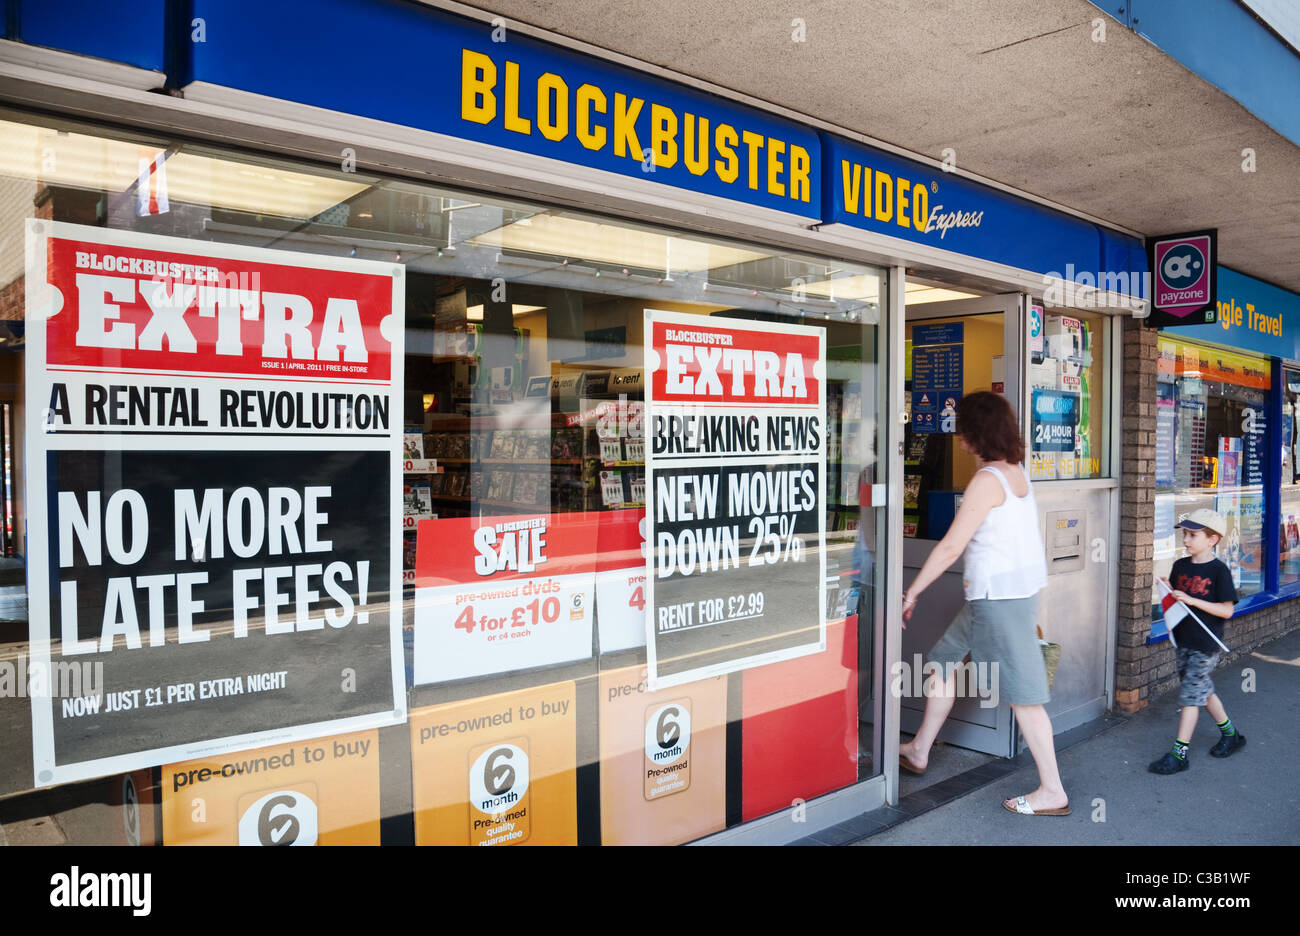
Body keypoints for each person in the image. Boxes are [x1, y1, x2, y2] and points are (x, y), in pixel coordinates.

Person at [896, 391, 1068, 816]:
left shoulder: (988, 480)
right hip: (997, 596)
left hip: (1000, 602)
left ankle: (1053, 790)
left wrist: (913, 590)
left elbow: (953, 545)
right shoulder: (1017, 472)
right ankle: (919, 749)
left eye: (962, 431)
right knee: (943, 662)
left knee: (1025, 696)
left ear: (977, 433)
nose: (957, 438)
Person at [1148, 509, 1245, 774]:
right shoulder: (1181, 566)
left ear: (1212, 539)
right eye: (1186, 534)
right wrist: (1168, 589)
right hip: (1183, 640)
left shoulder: (1218, 571)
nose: (1187, 540)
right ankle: (1231, 734)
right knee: (1203, 689)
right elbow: (1177, 598)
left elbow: (1227, 610)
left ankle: (1179, 754)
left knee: (1190, 696)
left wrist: (1193, 600)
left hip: (1206, 643)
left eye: (1193, 535)